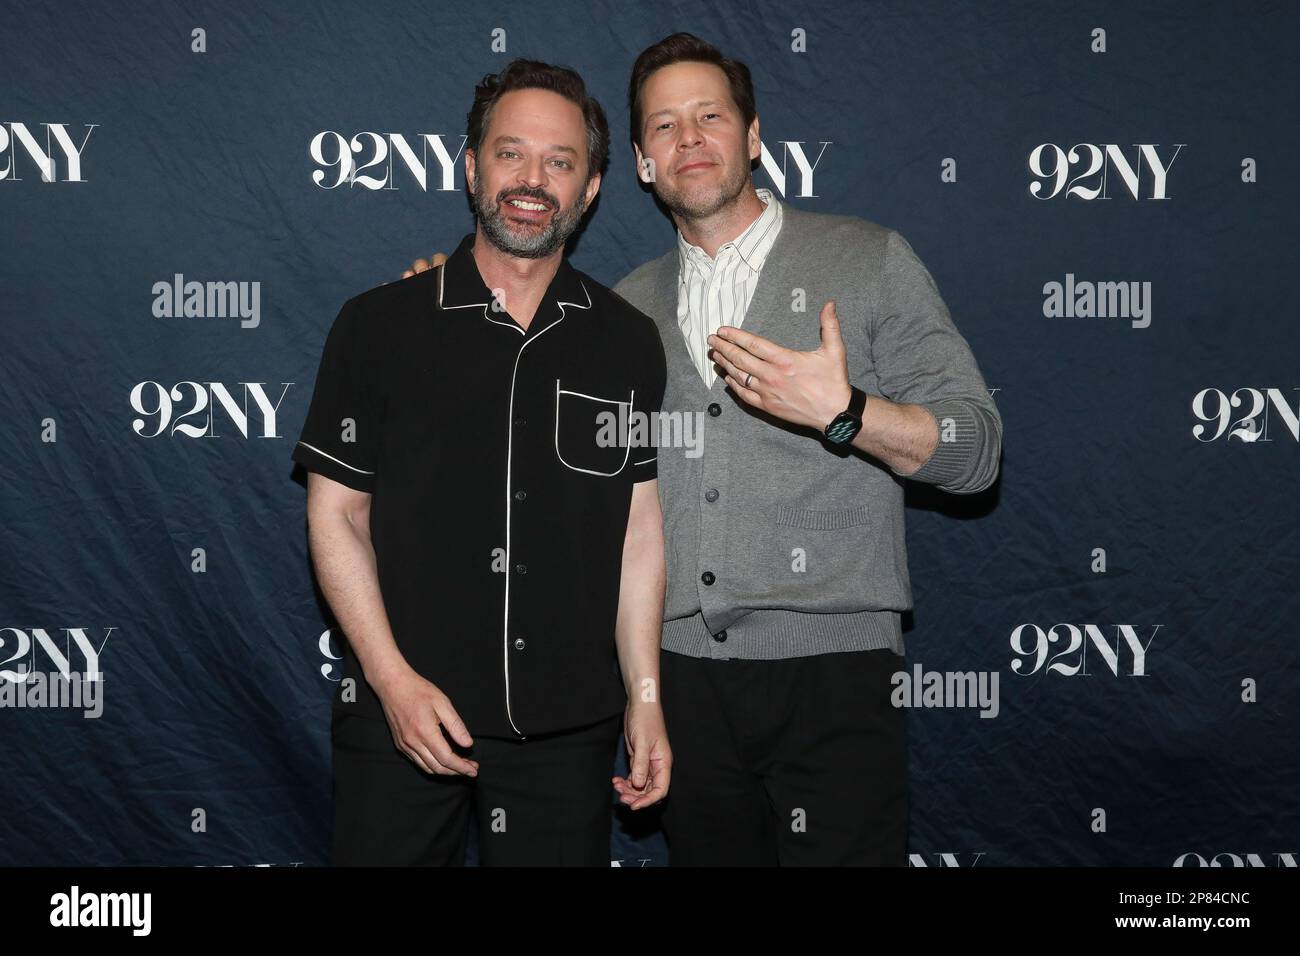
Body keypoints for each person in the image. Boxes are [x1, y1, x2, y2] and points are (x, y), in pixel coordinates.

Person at [408, 33, 1003, 866]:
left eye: (710, 116)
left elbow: (976, 452)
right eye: (663, 126)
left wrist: (846, 412)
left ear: (753, 136)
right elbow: (545, 460)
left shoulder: (868, 260)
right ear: (643, 165)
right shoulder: (621, 310)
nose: (689, 139)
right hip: (679, 683)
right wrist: (446, 307)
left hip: (833, 673)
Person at [295, 60, 671, 866]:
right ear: (471, 169)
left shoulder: (627, 341)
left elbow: (637, 533)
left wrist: (644, 698)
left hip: (568, 731)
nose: (533, 180)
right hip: (399, 714)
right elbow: (336, 513)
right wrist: (391, 682)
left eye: (560, 161)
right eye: (511, 154)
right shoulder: (377, 327)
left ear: (593, 187)